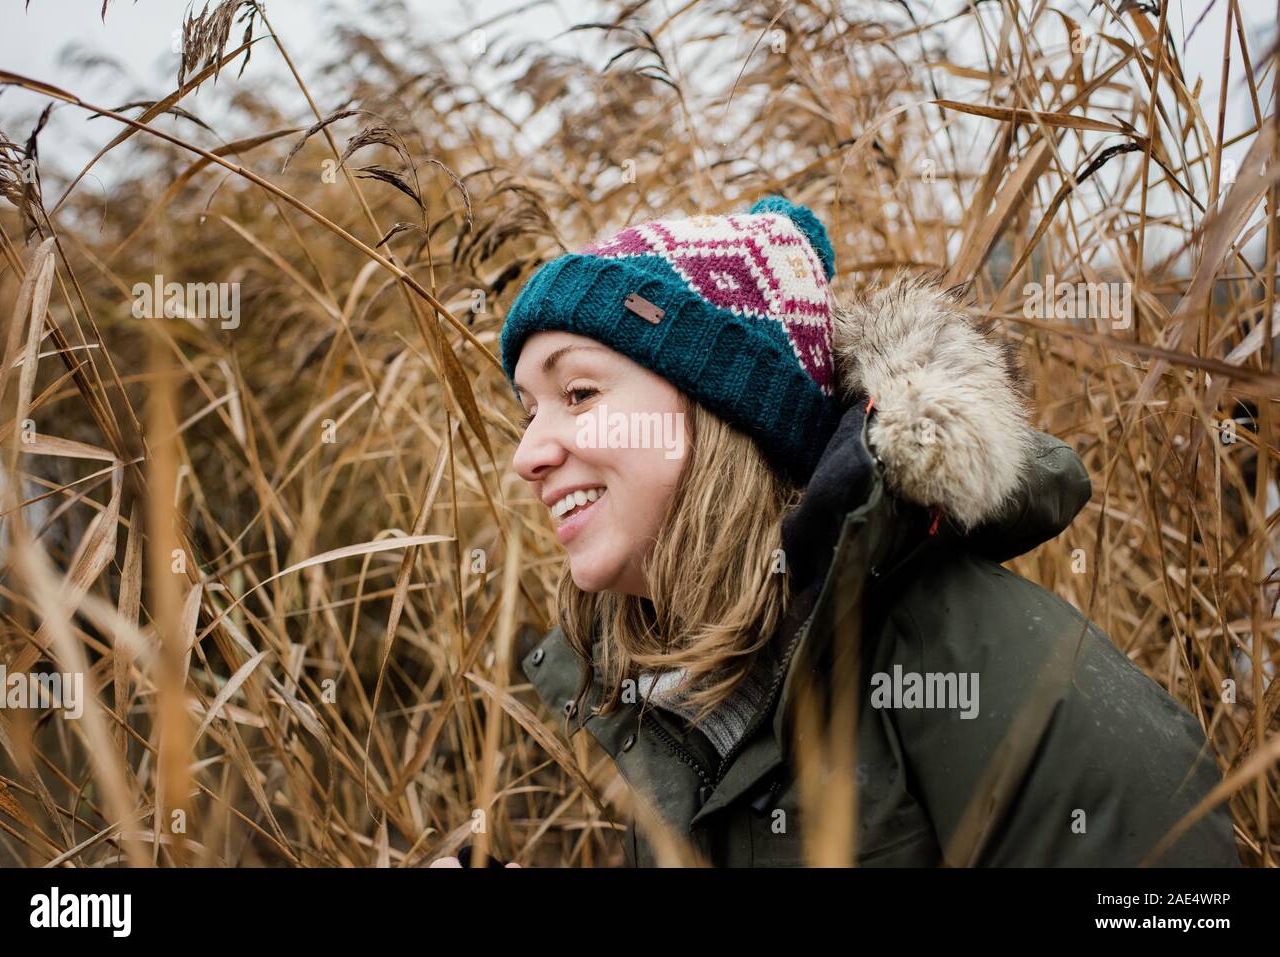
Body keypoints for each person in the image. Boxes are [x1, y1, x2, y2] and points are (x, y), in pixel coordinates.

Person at [485, 195, 1240, 867]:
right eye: (529, 411)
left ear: (725, 412)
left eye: (578, 392)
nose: (528, 455)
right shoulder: (665, 690)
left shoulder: (1017, 689)